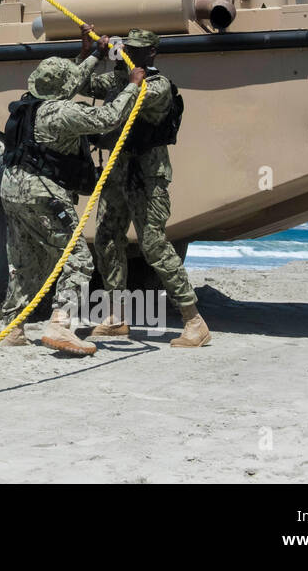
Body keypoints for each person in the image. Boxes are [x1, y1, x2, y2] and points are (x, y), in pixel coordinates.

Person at [72, 27, 211, 348]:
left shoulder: (157, 86)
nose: (128, 53)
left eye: (135, 49)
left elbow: (130, 100)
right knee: (107, 238)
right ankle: (116, 315)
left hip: (148, 178)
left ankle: (194, 320)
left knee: (153, 244)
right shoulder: (122, 79)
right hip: (118, 172)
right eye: (127, 47)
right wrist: (89, 53)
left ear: (151, 53)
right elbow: (78, 83)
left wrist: (123, 72)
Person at [0, 56, 146, 355]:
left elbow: (69, 80)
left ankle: (13, 326)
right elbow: (107, 119)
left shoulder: (27, 106)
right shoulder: (62, 112)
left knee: (25, 260)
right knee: (78, 258)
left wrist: (93, 54)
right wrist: (132, 87)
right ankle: (60, 324)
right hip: (44, 193)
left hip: (11, 189)